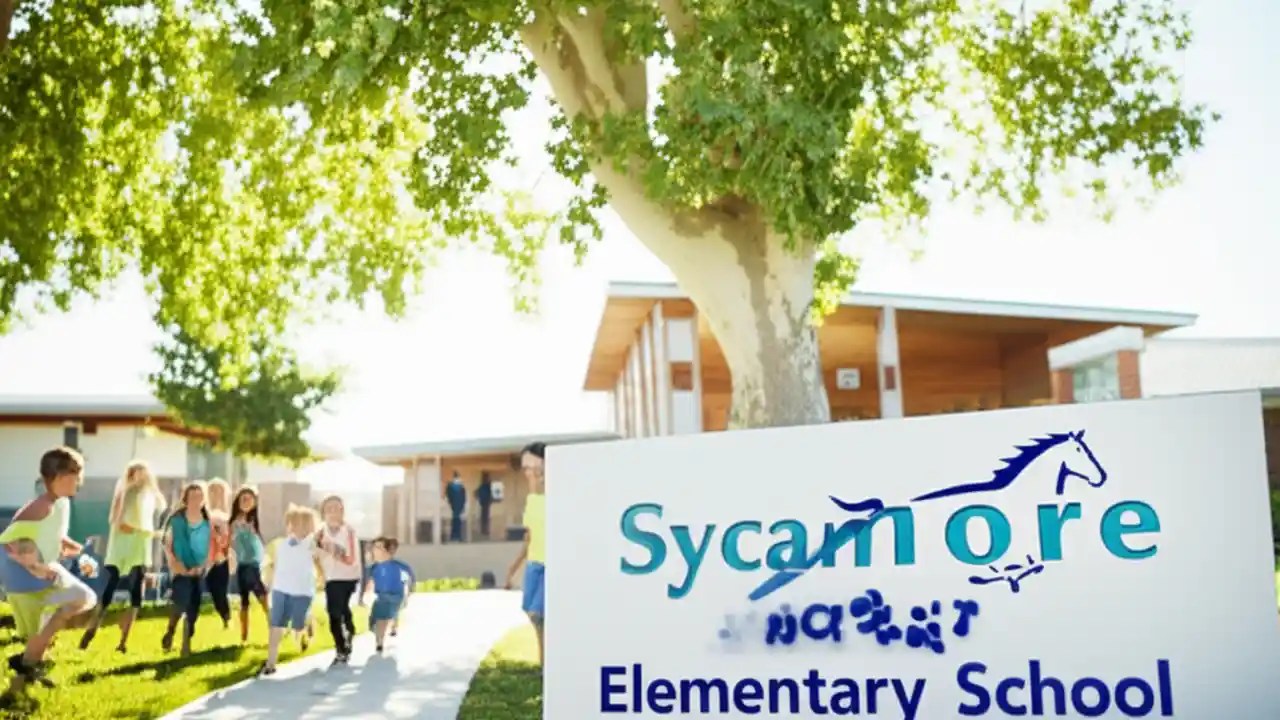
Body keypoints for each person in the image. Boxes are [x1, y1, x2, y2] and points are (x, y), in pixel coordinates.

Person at [0, 447, 99, 691]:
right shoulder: (40, 506)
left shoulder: (61, 504)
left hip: (43, 570)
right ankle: (25, 671)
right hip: (25, 577)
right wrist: (36, 567)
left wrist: (66, 544)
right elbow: (11, 542)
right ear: (57, 478)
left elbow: (51, 533)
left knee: (71, 606)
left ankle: (26, 671)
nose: (79, 481)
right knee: (80, 599)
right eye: (75, 476)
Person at [79, 460, 167, 653]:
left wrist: (151, 533)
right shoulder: (124, 493)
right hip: (121, 549)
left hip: (140, 550)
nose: (139, 477)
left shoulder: (152, 497)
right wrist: (149, 533)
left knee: (136, 595)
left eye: (142, 472)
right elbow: (118, 523)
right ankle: (91, 629)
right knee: (109, 592)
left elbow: (155, 516)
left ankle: (123, 641)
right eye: (135, 472)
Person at [260, 504, 324, 676]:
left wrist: (322, 576)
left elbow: (319, 562)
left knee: (298, 625)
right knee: (276, 625)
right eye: (291, 523)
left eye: (298, 523)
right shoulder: (280, 544)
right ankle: (270, 662)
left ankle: (308, 622)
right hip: (281, 590)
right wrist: (267, 577)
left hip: (302, 592)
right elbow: (270, 562)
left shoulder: (311, 544)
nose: (292, 527)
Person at [505, 441, 546, 665]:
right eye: (525, 469)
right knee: (532, 614)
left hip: (551, 565)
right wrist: (514, 567)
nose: (528, 473)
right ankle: (544, 661)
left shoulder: (559, 496)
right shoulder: (532, 500)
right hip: (534, 564)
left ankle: (548, 665)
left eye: (533, 467)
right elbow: (529, 537)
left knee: (541, 614)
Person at [161, 482, 213, 656]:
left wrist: (203, 566)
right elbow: (168, 544)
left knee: (194, 609)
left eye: (200, 497)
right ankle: (171, 631)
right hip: (180, 572)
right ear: (186, 500)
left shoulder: (206, 522)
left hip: (198, 573)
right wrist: (175, 564)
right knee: (180, 603)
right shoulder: (177, 520)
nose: (196, 500)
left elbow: (209, 547)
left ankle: (187, 640)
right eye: (193, 497)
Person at [316, 495, 360, 666]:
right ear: (324, 513)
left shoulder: (349, 531)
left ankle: (349, 629)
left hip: (348, 577)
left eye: (337, 508)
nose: (333, 512)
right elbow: (314, 553)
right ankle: (341, 648)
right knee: (333, 612)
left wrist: (333, 549)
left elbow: (351, 559)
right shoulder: (320, 533)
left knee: (341, 608)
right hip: (331, 577)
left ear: (343, 511)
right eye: (329, 509)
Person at [229, 486, 270, 643]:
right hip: (242, 564)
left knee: (262, 596)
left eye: (249, 499)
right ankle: (244, 637)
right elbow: (230, 542)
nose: (246, 502)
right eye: (243, 499)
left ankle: (274, 625)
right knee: (244, 601)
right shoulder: (233, 522)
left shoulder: (256, 520)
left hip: (253, 564)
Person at [363, 537, 415, 653]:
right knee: (375, 620)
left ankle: (379, 643)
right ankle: (389, 625)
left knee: (382, 618)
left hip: (395, 595)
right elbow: (367, 581)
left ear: (387, 551)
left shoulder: (397, 564)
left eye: (379, 547)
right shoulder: (373, 567)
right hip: (381, 596)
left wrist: (411, 589)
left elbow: (410, 574)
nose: (375, 550)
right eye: (374, 548)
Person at [204, 478, 234, 630]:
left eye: (219, 491)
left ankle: (227, 618)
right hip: (206, 557)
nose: (216, 495)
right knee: (212, 588)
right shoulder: (204, 514)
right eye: (213, 491)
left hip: (222, 557)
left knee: (219, 590)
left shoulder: (228, 516)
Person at [446, 471, 466, 542]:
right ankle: (457, 536)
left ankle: (454, 536)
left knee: (455, 521)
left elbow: (449, 497)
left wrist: (451, 504)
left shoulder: (450, 487)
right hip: (458, 507)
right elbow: (464, 498)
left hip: (454, 507)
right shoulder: (461, 487)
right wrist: (462, 507)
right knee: (458, 521)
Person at [476, 473, 493, 538]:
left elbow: (478, 493)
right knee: (485, 517)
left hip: (484, 503)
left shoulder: (484, 486)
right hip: (485, 503)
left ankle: (484, 530)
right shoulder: (486, 486)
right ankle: (485, 530)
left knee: (484, 517)